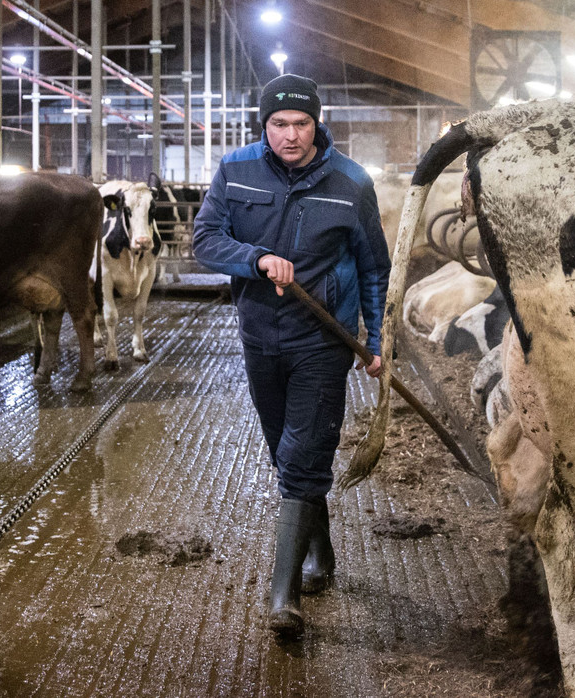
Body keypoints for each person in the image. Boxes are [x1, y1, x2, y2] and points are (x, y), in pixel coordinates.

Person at [192, 74, 390, 637]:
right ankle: (320, 555)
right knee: (286, 451)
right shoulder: (236, 170)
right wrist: (256, 258)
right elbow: (205, 239)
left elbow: (374, 268)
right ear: (264, 125)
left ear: (317, 123)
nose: (290, 135)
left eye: (301, 123)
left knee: (303, 454)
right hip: (259, 337)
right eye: (278, 124)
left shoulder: (351, 182)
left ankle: (284, 597)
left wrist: (377, 340)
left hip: (323, 340)